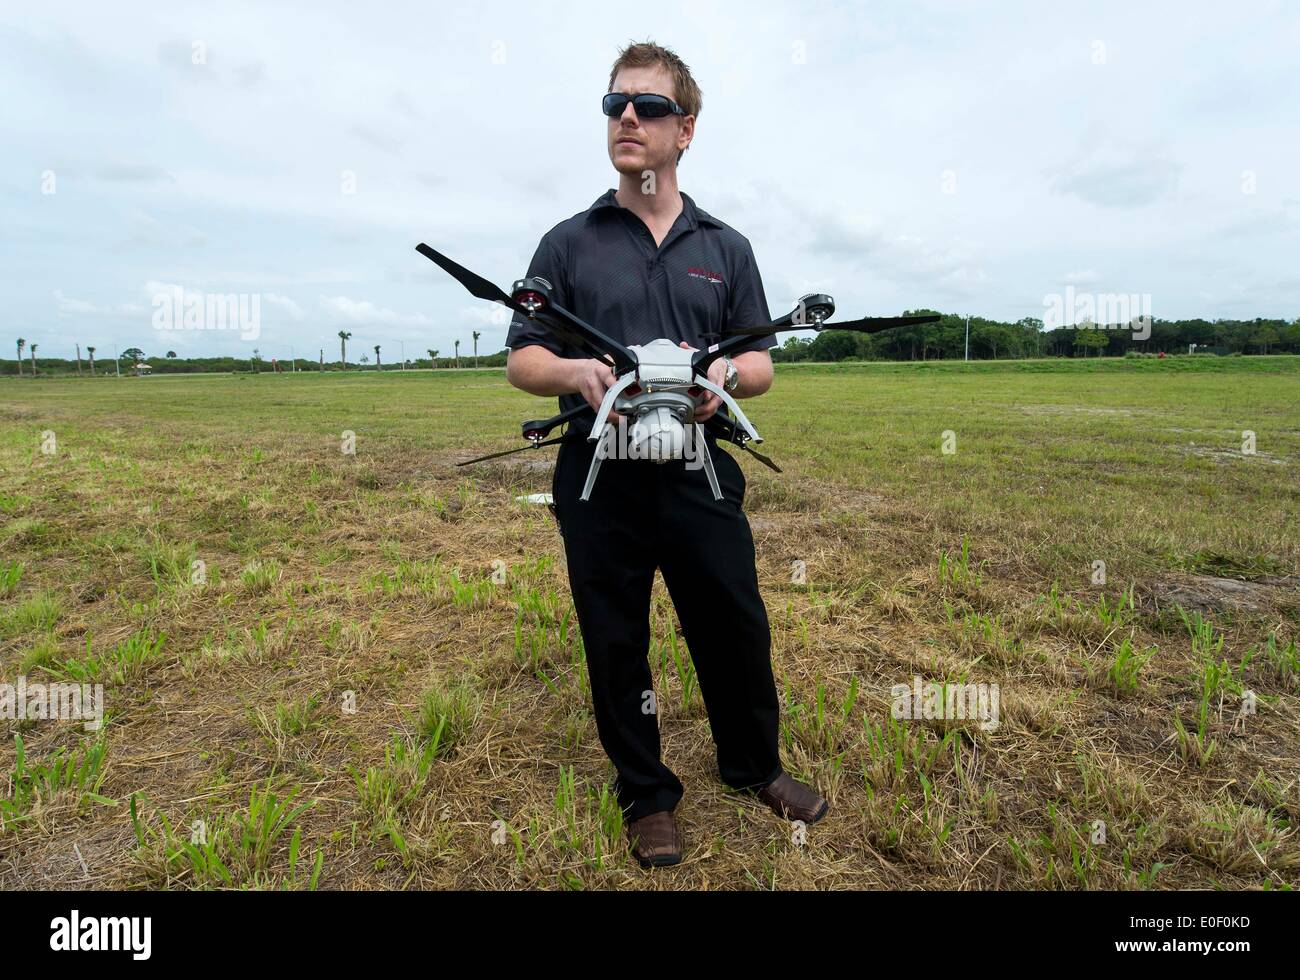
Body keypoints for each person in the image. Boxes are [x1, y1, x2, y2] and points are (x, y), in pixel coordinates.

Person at [504, 40, 828, 869]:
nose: (627, 119)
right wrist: (575, 369)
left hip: (699, 470)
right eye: (614, 104)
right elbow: (522, 359)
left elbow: (760, 362)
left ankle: (755, 767)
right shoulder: (567, 243)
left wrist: (724, 373)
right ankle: (646, 795)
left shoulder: (726, 248)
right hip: (599, 471)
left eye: (648, 106)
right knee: (614, 635)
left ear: (686, 129)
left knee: (734, 622)